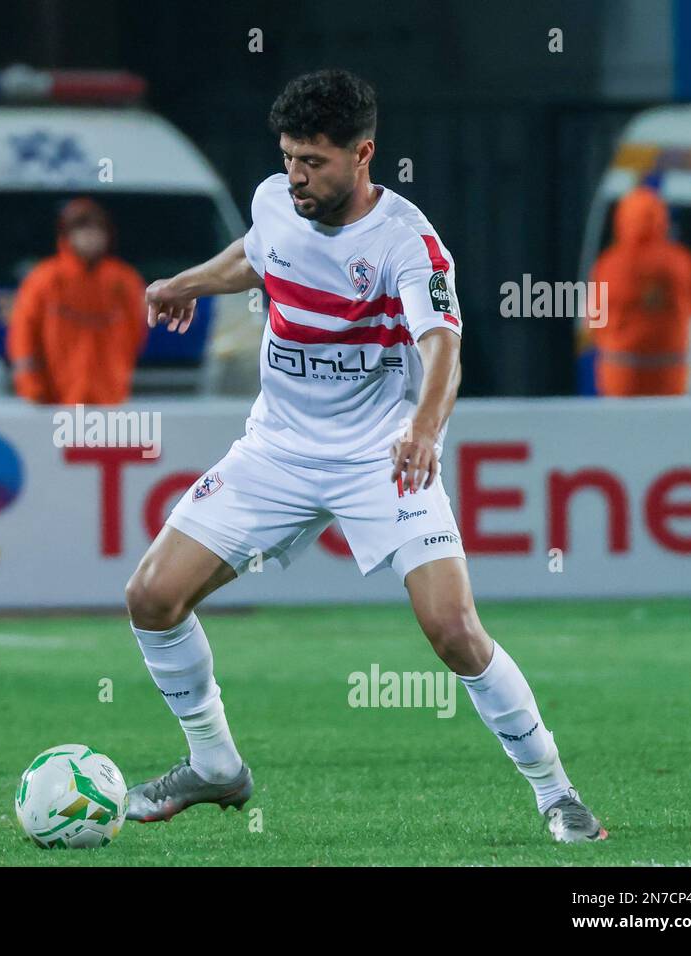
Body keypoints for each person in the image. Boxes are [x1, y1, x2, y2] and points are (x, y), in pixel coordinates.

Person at [123, 69, 607, 844]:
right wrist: (188, 282)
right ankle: (215, 765)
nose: (296, 176)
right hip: (277, 448)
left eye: (314, 161)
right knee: (151, 596)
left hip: (379, 456)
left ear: (363, 153)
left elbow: (442, 345)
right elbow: (259, 254)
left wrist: (423, 428)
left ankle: (556, 791)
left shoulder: (409, 246)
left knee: (452, 630)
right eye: (288, 157)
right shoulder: (276, 200)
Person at [6, 197, 147, 404]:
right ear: (67, 235)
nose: (91, 237)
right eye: (82, 229)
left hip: (109, 397)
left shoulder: (123, 280)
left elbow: (137, 331)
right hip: (53, 398)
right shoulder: (44, 279)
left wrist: (119, 373)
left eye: (98, 230)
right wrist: (31, 386)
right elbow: (23, 333)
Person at [586, 186, 691, 396]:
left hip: (620, 374)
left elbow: (594, 320)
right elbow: (689, 309)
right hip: (669, 376)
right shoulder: (680, 262)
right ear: (662, 219)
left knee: (622, 428)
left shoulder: (608, 264)